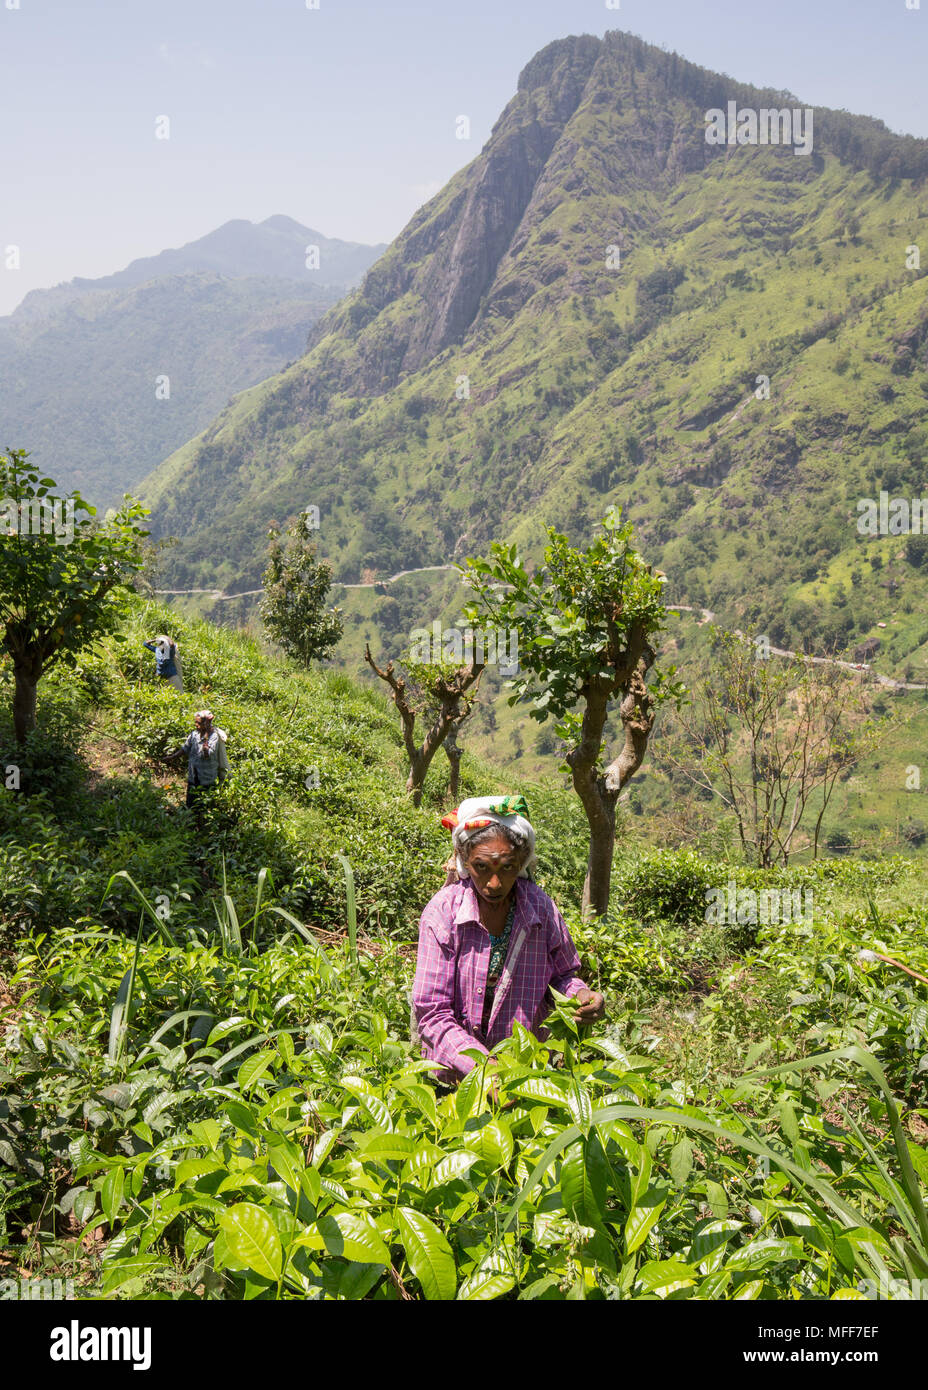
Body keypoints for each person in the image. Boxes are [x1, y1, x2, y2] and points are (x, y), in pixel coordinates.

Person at [411, 794, 605, 1087]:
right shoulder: (442, 915)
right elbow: (432, 1012)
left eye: (507, 867)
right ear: (465, 861)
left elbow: (563, 974)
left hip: (523, 1072)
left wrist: (580, 995)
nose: (494, 883)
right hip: (454, 1076)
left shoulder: (540, 910)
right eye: (482, 867)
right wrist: (484, 1069)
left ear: (522, 862)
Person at [166, 710, 228, 810]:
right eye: (195, 722)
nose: (196, 725)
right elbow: (185, 748)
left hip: (206, 779)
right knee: (191, 804)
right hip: (193, 776)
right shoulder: (194, 734)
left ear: (206, 723)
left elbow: (208, 755)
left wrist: (206, 748)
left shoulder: (214, 736)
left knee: (204, 806)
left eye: (199, 723)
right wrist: (172, 757)